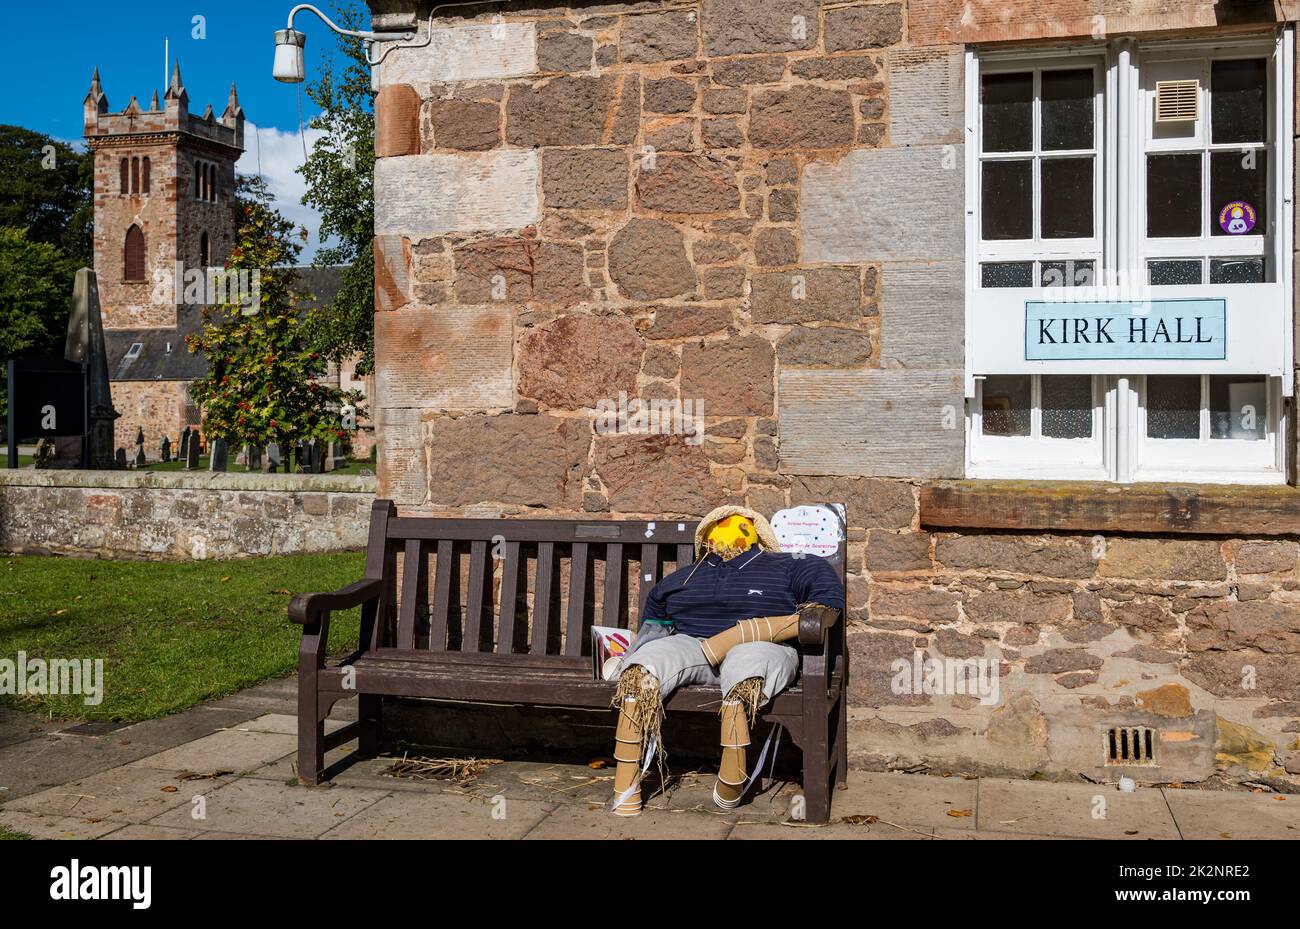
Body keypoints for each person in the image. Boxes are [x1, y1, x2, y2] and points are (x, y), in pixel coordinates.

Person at [610, 505, 844, 815]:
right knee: (642, 672)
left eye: (734, 524)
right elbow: (656, 628)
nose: (724, 529)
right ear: (704, 540)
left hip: (764, 644)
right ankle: (626, 790)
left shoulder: (792, 564)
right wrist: (630, 658)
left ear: (756, 532)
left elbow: (825, 608)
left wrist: (736, 635)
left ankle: (732, 779)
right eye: (714, 526)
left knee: (746, 667)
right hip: (693, 644)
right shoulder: (685, 576)